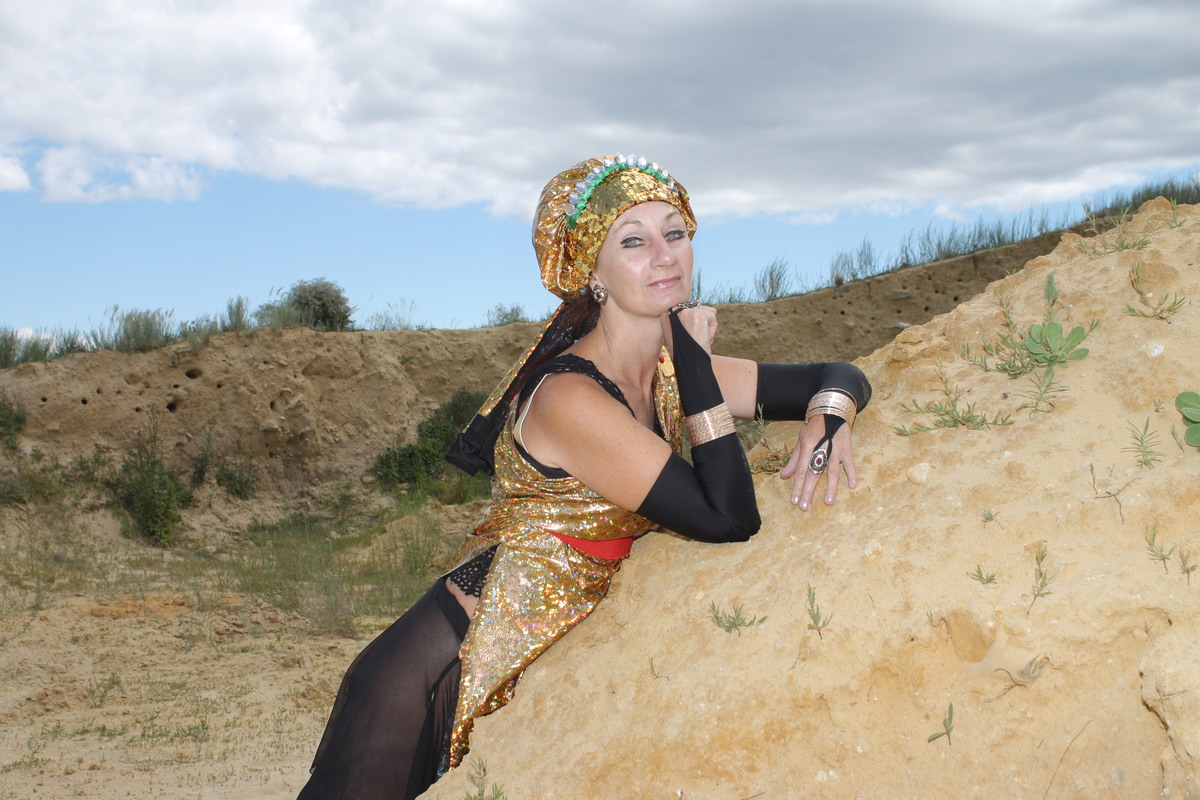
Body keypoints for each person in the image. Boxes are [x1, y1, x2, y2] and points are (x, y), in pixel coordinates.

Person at [297, 154, 871, 799]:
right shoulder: (570, 396)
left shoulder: (669, 369)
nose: (665, 256)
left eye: (675, 232)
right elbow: (728, 518)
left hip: (542, 640)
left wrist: (828, 416)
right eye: (633, 241)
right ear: (591, 273)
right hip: (453, 664)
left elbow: (838, 374)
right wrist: (695, 362)